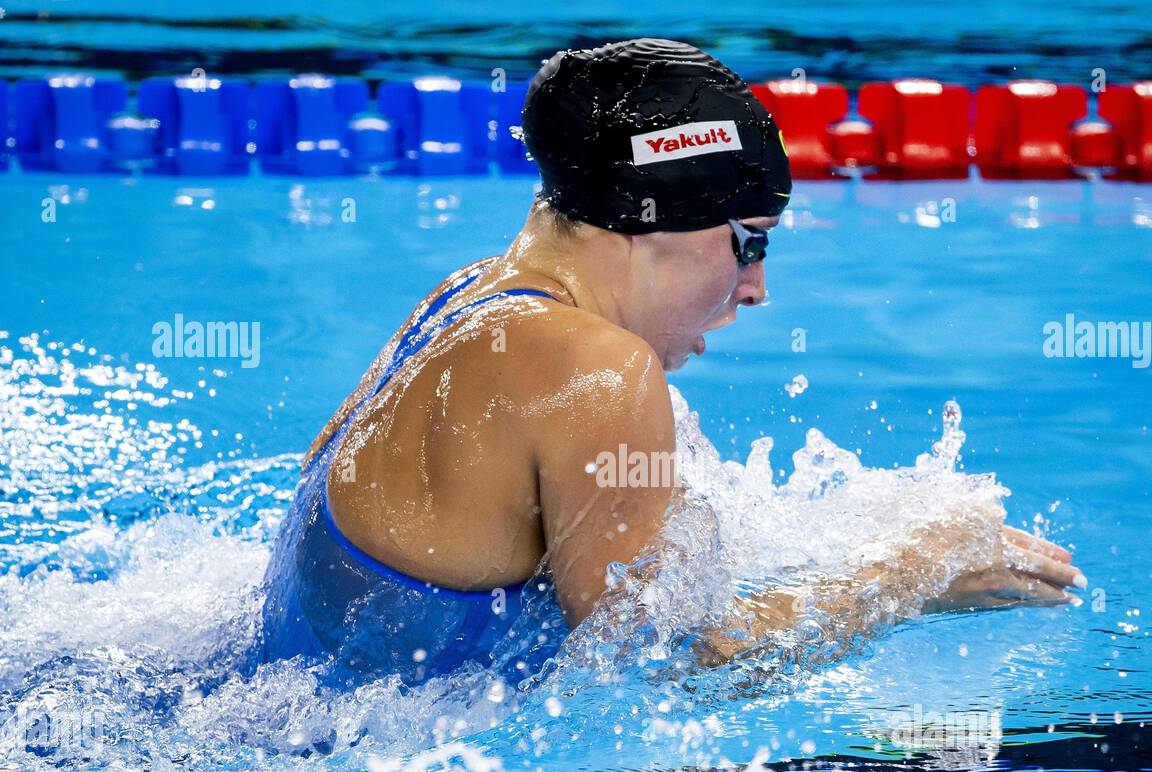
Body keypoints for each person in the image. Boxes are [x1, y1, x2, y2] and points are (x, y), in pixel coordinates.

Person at [259, 38, 1084, 682]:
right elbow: (672, 664)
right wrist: (907, 580)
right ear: (659, 223)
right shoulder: (595, 369)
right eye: (748, 243)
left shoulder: (471, 298)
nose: (757, 288)